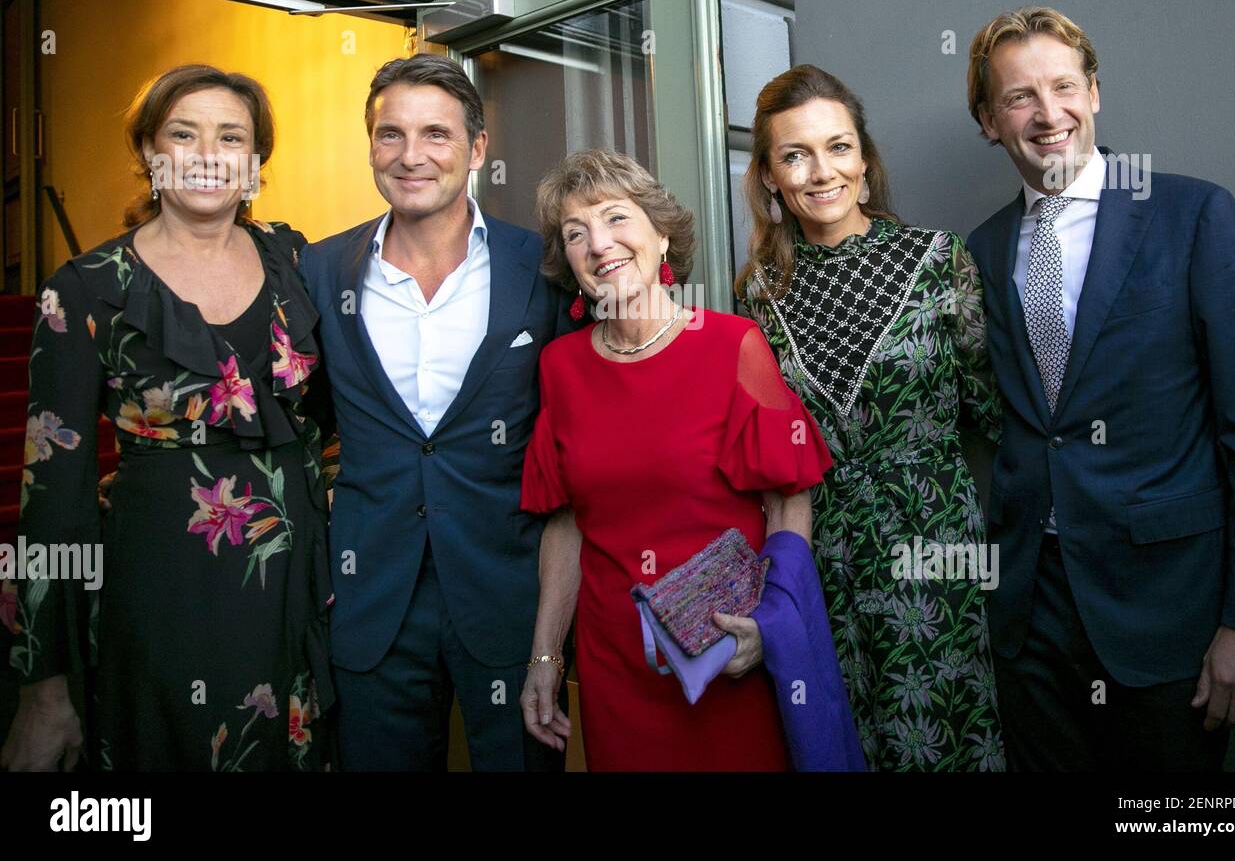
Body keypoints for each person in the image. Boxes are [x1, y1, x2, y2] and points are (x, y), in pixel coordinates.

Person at [964, 5, 1235, 770]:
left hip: (1169, 612)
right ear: (989, 119)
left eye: (1064, 86)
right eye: (1020, 97)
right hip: (1030, 622)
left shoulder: (1193, 214)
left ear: (1095, 93)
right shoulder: (980, 252)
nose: (1049, 114)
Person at [1, 64, 331, 772]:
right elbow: (52, 501)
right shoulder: (86, 289)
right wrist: (44, 686)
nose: (209, 154)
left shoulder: (298, 263)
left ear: (255, 163)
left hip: (298, 594)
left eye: (232, 137)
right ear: (150, 151)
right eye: (184, 134)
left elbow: (342, 416)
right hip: (159, 599)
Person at [518, 148, 835, 771]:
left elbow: (788, 496)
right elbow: (567, 523)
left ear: (662, 236)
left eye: (616, 219)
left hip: (725, 649)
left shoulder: (731, 345)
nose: (598, 244)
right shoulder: (560, 367)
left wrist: (768, 624)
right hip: (616, 667)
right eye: (575, 233)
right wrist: (545, 657)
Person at [298, 54, 571, 771]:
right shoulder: (320, 272)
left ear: (478, 149)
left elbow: (579, 428)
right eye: (390, 135)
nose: (410, 156)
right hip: (370, 603)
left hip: (508, 597)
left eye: (436, 135)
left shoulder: (539, 267)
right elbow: (302, 420)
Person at [734, 65, 1006, 771]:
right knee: (838, 744)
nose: (821, 172)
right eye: (795, 155)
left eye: (839, 147)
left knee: (945, 744)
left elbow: (995, 411)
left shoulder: (938, 260)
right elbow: (762, 451)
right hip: (819, 555)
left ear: (864, 158)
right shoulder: (757, 293)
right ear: (769, 176)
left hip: (933, 549)